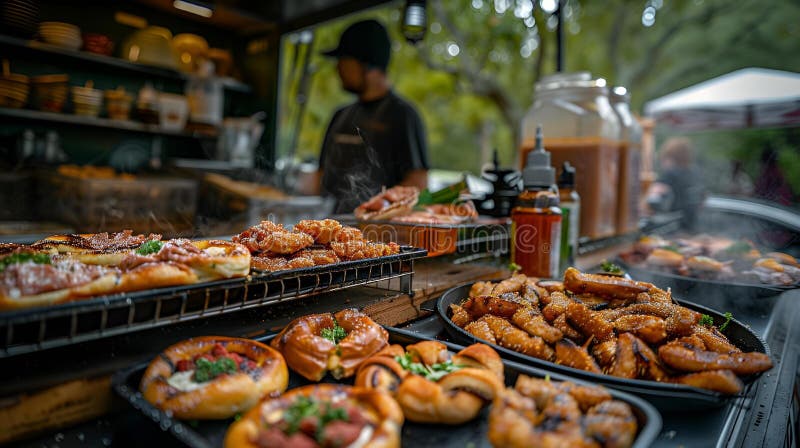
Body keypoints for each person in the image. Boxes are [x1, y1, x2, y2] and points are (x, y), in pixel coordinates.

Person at [314, 19, 429, 214]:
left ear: (368, 64)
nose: (338, 68)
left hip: (377, 236)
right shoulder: (340, 115)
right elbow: (319, 178)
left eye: (344, 60)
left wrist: (378, 210)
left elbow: (418, 184)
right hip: (328, 229)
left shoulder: (403, 116)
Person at [645, 137, 706, 229]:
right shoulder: (695, 172)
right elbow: (703, 198)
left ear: (669, 157)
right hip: (692, 224)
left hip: (673, 227)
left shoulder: (670, 174)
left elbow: (653, 199)